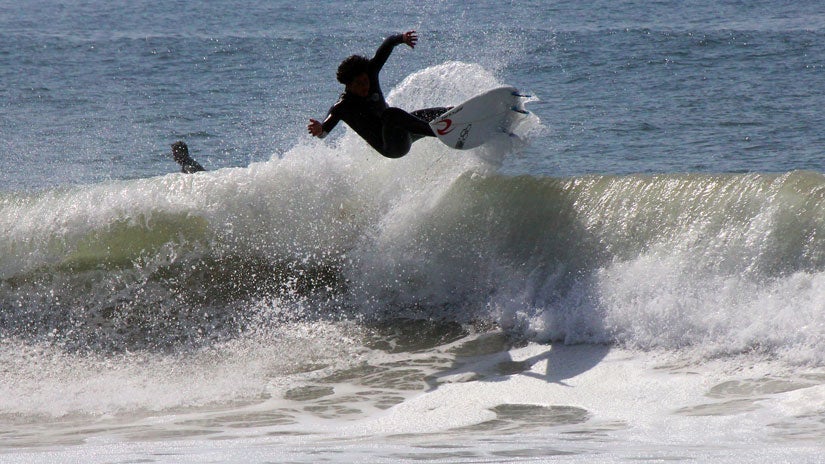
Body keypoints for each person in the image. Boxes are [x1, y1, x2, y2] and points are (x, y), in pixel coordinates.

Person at [307, 30, 449, 159]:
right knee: (390, 114)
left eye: (365, 81)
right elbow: (323, 132)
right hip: (392, 147)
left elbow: (387, 45)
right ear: (348, 85)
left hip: (404, 133)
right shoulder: (342, 106)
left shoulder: (371, 72)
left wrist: (402, 38)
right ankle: (442, 131)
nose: (365, 86)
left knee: (422, 116)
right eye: (359, 83)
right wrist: (319, 129)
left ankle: (453, 116)